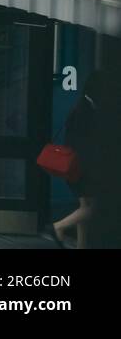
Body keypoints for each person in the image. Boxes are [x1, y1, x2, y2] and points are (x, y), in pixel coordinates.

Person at [53, 69, 121, 248]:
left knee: (84, 207)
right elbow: (85, 146)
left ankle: (81, 245)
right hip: (81, 169)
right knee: (92, 209)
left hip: (76, 169)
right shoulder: (86, 110)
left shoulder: (82, 106)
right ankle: (58, 227)